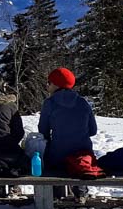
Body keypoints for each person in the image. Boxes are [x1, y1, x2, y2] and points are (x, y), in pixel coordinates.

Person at [36, 67, 96, 198]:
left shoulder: (49, 103)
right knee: (80, 160)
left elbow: (43, 131)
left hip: (58, 156)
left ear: (56, 85)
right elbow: (93, 130)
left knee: (51, 158)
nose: (47, 86)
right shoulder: (83, 102)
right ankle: (81, 191)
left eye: (49, 82)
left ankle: (58, 192)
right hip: (83, 156)